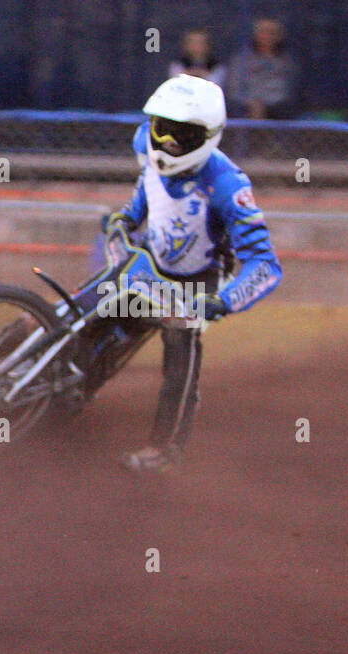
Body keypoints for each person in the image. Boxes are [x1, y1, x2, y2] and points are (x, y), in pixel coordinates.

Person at [102, 75, 282, 473]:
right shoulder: (143, 146)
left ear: (208, 137)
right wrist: (124, 219)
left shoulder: (227, 184)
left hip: (196, 283)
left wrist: (223, 300)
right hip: (148, 259)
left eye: (181, 135)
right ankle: (7, 352)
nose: (167, 143)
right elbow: (145, 193)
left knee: (181, 345)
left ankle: (164, 449)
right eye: (161, 129)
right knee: (88, 300)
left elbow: (265, 264)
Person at [227, 17, 297, 119]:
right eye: (264, 32)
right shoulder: (241, 60)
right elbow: (234, 88)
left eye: (272, 33)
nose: (268, 36)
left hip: (278, 108)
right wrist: (252, 103)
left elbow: (290, 91)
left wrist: (266, 104)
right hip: (247, 106)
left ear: (279, 36)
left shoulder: (288, 62)